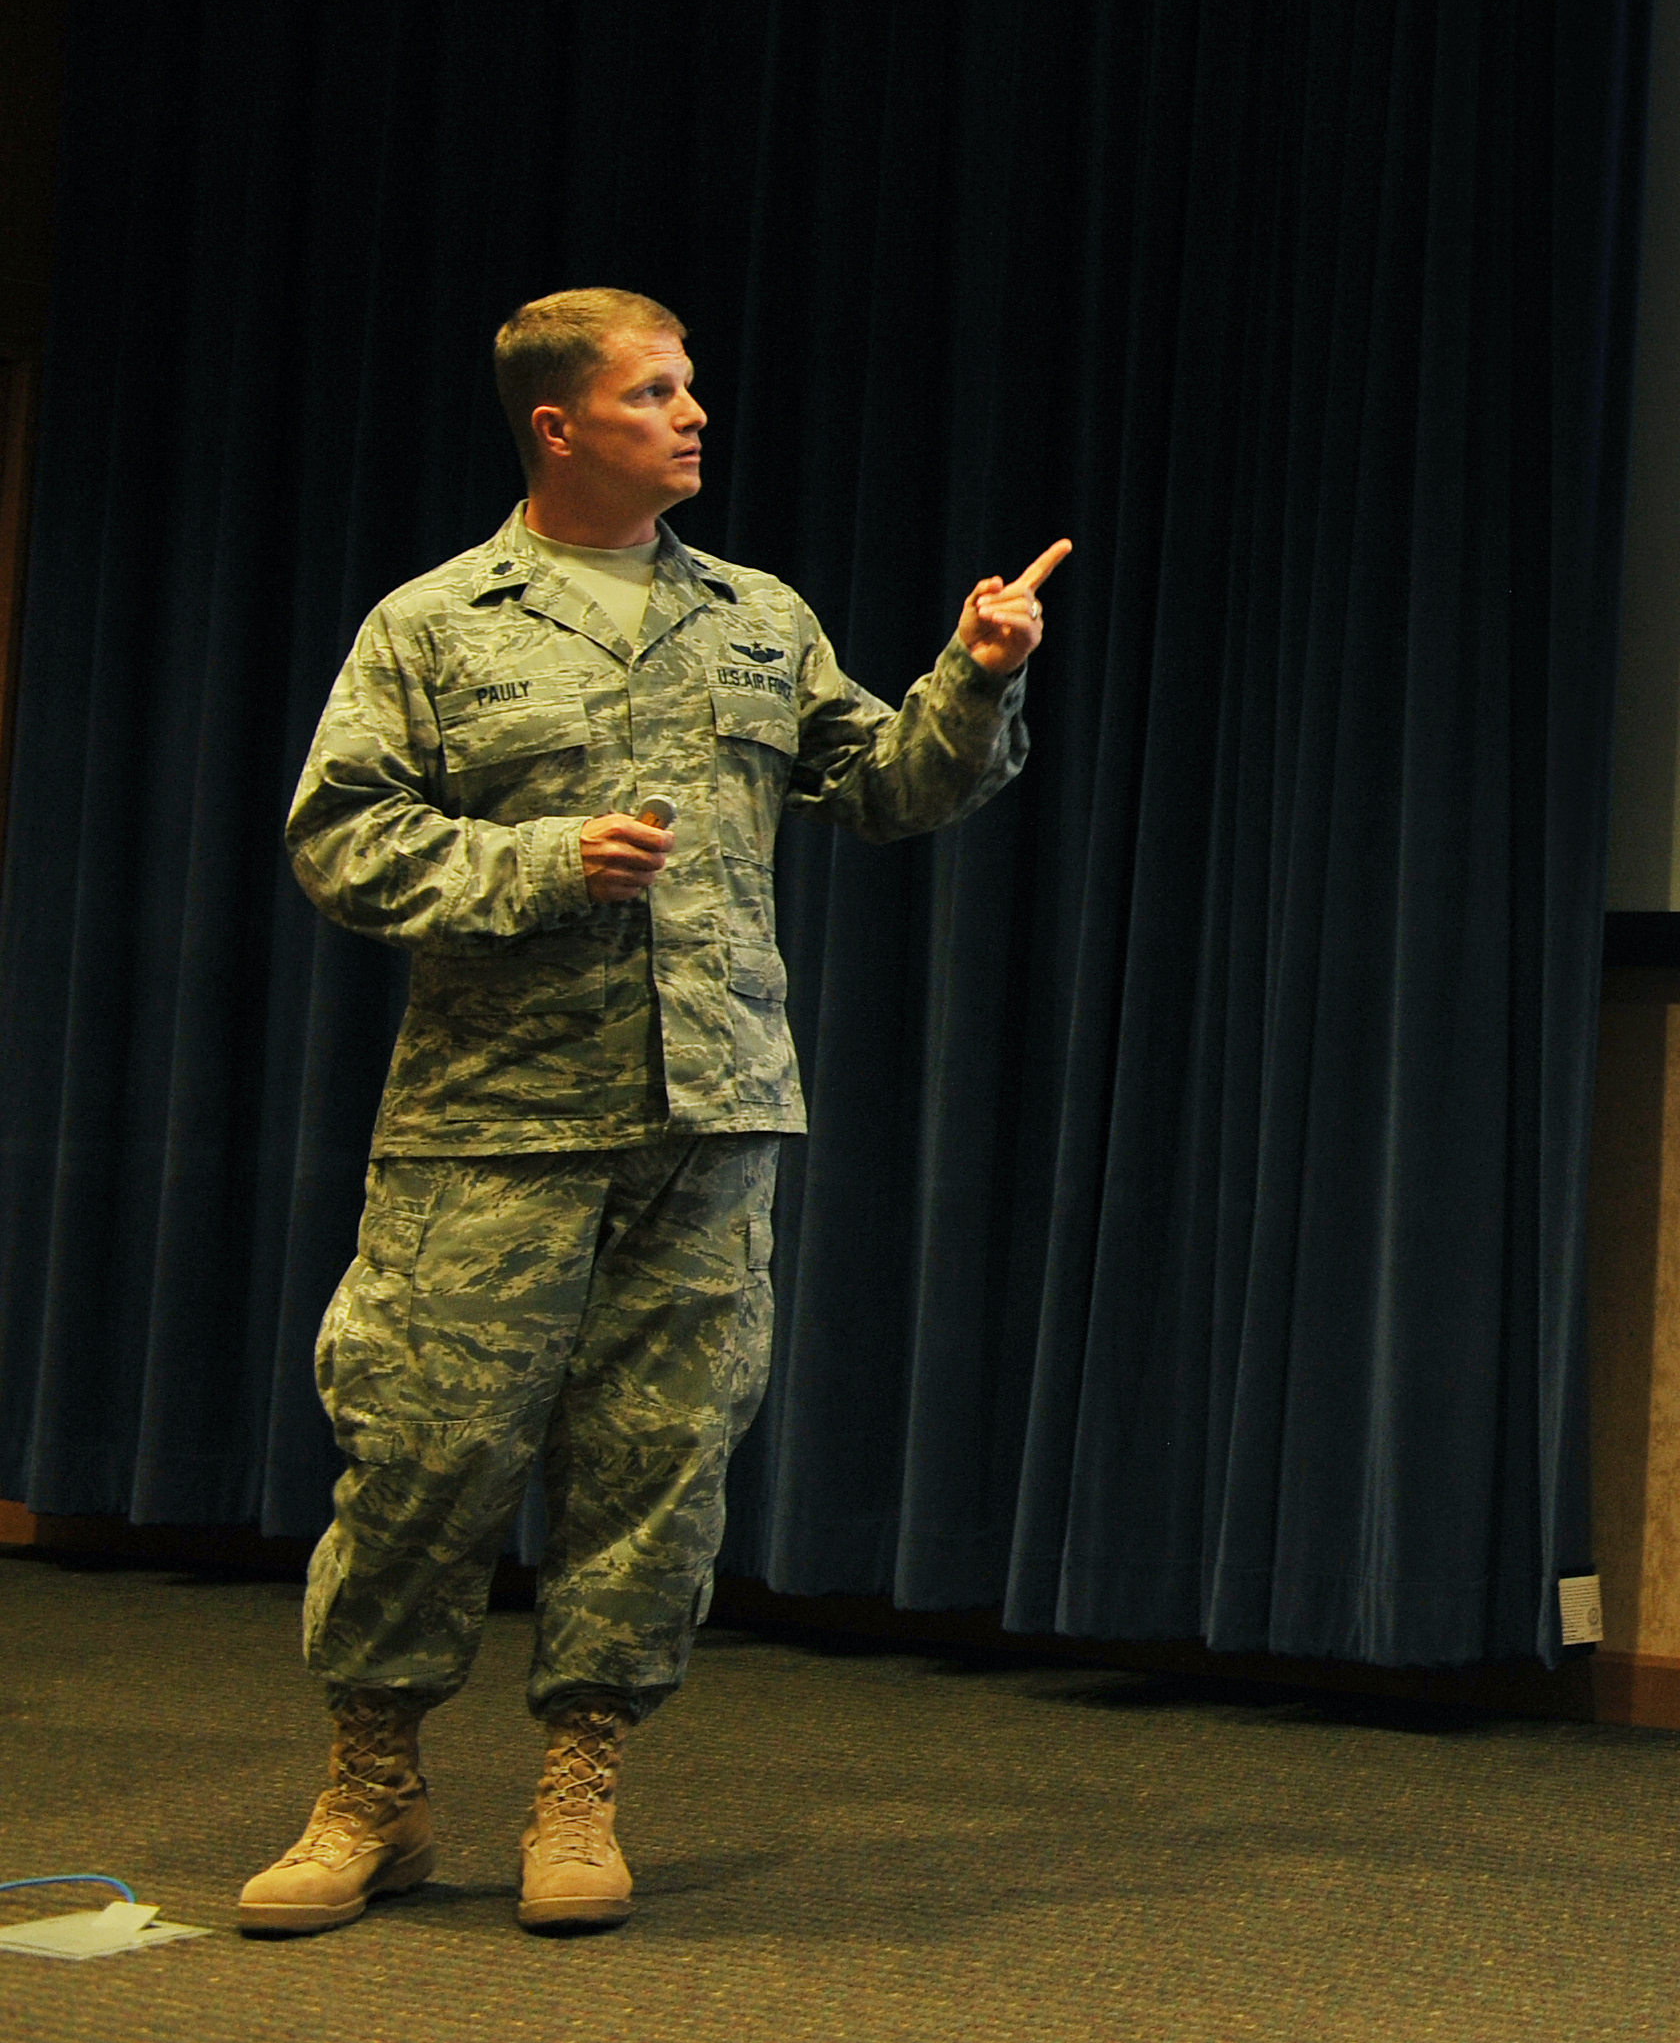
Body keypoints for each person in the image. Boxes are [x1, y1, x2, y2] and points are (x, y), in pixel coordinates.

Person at [240, 287, 1067, 1937]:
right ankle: (372, 1789)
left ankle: (581, 1784)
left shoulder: (759, 616)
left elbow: (889, 788)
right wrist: (543, 864)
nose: (694, 415)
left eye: (693, 388)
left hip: (713, 1113)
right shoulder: (437, 624)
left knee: (656, 1466)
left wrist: (973, 680)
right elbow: (339, 841)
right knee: (425, 1453)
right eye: (655, 393)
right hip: (491, 1120)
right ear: (556, 427)